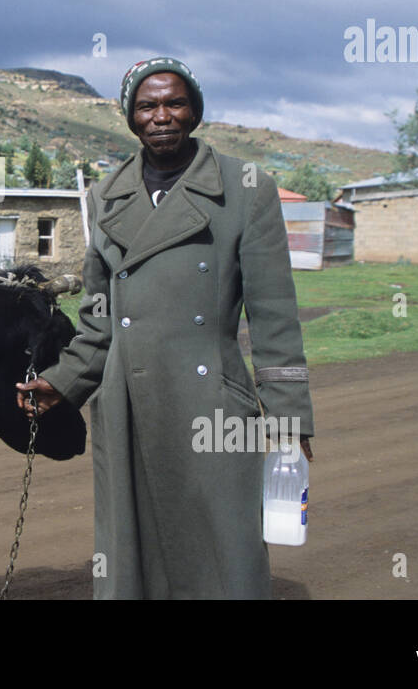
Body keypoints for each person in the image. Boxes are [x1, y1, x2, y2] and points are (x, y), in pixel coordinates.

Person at [16, 56, 315, 599]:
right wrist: (62, 381)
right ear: (130, 117)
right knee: (135, 551)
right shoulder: (106, 195)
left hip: (214, 402)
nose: (162, 116)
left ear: (195, 111)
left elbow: (274, 312)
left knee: (225, 545)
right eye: (147, 105)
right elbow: (99, 318)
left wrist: (289, 415)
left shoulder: (245, 188)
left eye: (174, 102)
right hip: (128, 401)